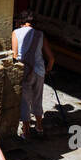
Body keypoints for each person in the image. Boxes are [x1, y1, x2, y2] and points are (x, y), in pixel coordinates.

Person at [12, 9, 54, 139]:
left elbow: (14, 55)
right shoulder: (40, 34)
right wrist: (48, 69)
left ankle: (26, 130)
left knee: (25, 100)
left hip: (25, 70)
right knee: (37, 98)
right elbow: (51, 58)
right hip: (39, 70)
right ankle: (39, 126)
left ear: (21, 22)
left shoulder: (16, 33)